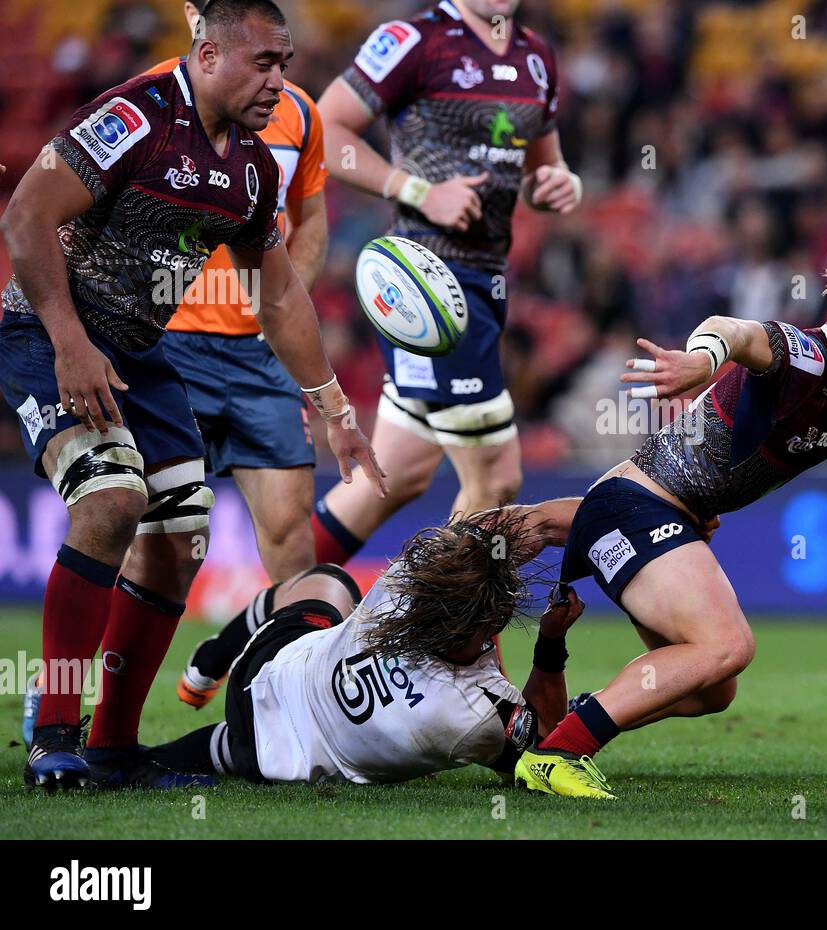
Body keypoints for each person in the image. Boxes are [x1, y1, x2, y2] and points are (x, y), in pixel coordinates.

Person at [1, 0, 384, 791]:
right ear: (208, 56)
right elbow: (26, 214)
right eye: (263, 62)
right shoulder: (135, 116)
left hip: (139, 352)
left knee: (181, 540)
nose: (279, 81)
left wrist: (337, 412)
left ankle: (112, 749)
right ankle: (54, 734)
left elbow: (278, 301)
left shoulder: (253, 170)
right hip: (47, 336)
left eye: (285, 63)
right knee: (109, 504)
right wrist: (70, 343)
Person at [514, 236, 827, 799]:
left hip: (668, 518)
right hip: (634, 507)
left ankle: (576, 719)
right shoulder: (801, 354)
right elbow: (736, 332)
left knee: (712, 690)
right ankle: (558, 752)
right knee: (729, 645)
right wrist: (702, 359)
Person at [307, 0, 578, 566]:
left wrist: (554, 184)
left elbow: (539, 168)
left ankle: (257, 617)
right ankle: (446, 638)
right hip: (426, 282)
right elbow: (324, 130)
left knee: (396, 474)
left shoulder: (537, 57)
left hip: (484, 281)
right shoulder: (415, 41)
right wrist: (418, 191)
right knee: (497, 477)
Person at [137, 0, 334, 708]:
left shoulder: (301, 114)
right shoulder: (152, 98)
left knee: (291, 535)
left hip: (258, 359)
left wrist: (278, 306)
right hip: (169, 349)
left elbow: (310, 223)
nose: (275, 74)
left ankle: (286, 701)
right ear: (197, 21)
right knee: (161, 544)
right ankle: (79, 698)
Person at [146, 504, 588, 786]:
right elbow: (549, 742)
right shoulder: (469, 716)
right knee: (243, 748)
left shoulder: (407, 581)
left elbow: (474, 531)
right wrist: (551, 642)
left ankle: (215, 657)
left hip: (263, 677)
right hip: (280, 765)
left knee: (330, 583)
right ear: (490, 621)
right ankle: (217, 746)